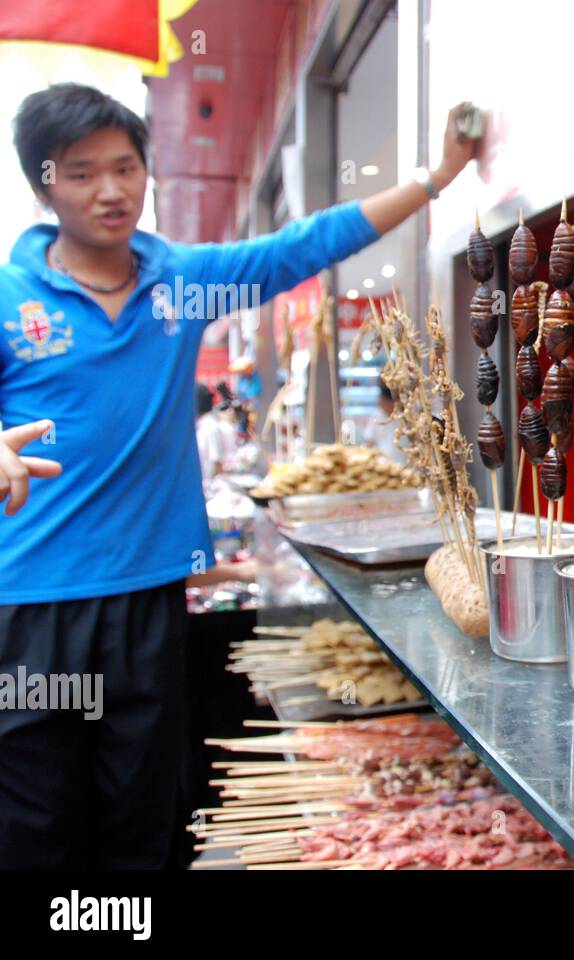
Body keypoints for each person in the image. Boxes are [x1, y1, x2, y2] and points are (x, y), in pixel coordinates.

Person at [0, 82, 476, 868]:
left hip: (149, 598)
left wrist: (436, 180)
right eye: (81, 173)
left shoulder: (181, 281)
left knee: (145, 814)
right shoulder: (11, 299)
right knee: (34, 825)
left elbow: (306, 245)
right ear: (42, 184)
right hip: (31, 607)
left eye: (125, 167)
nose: (111, 190)